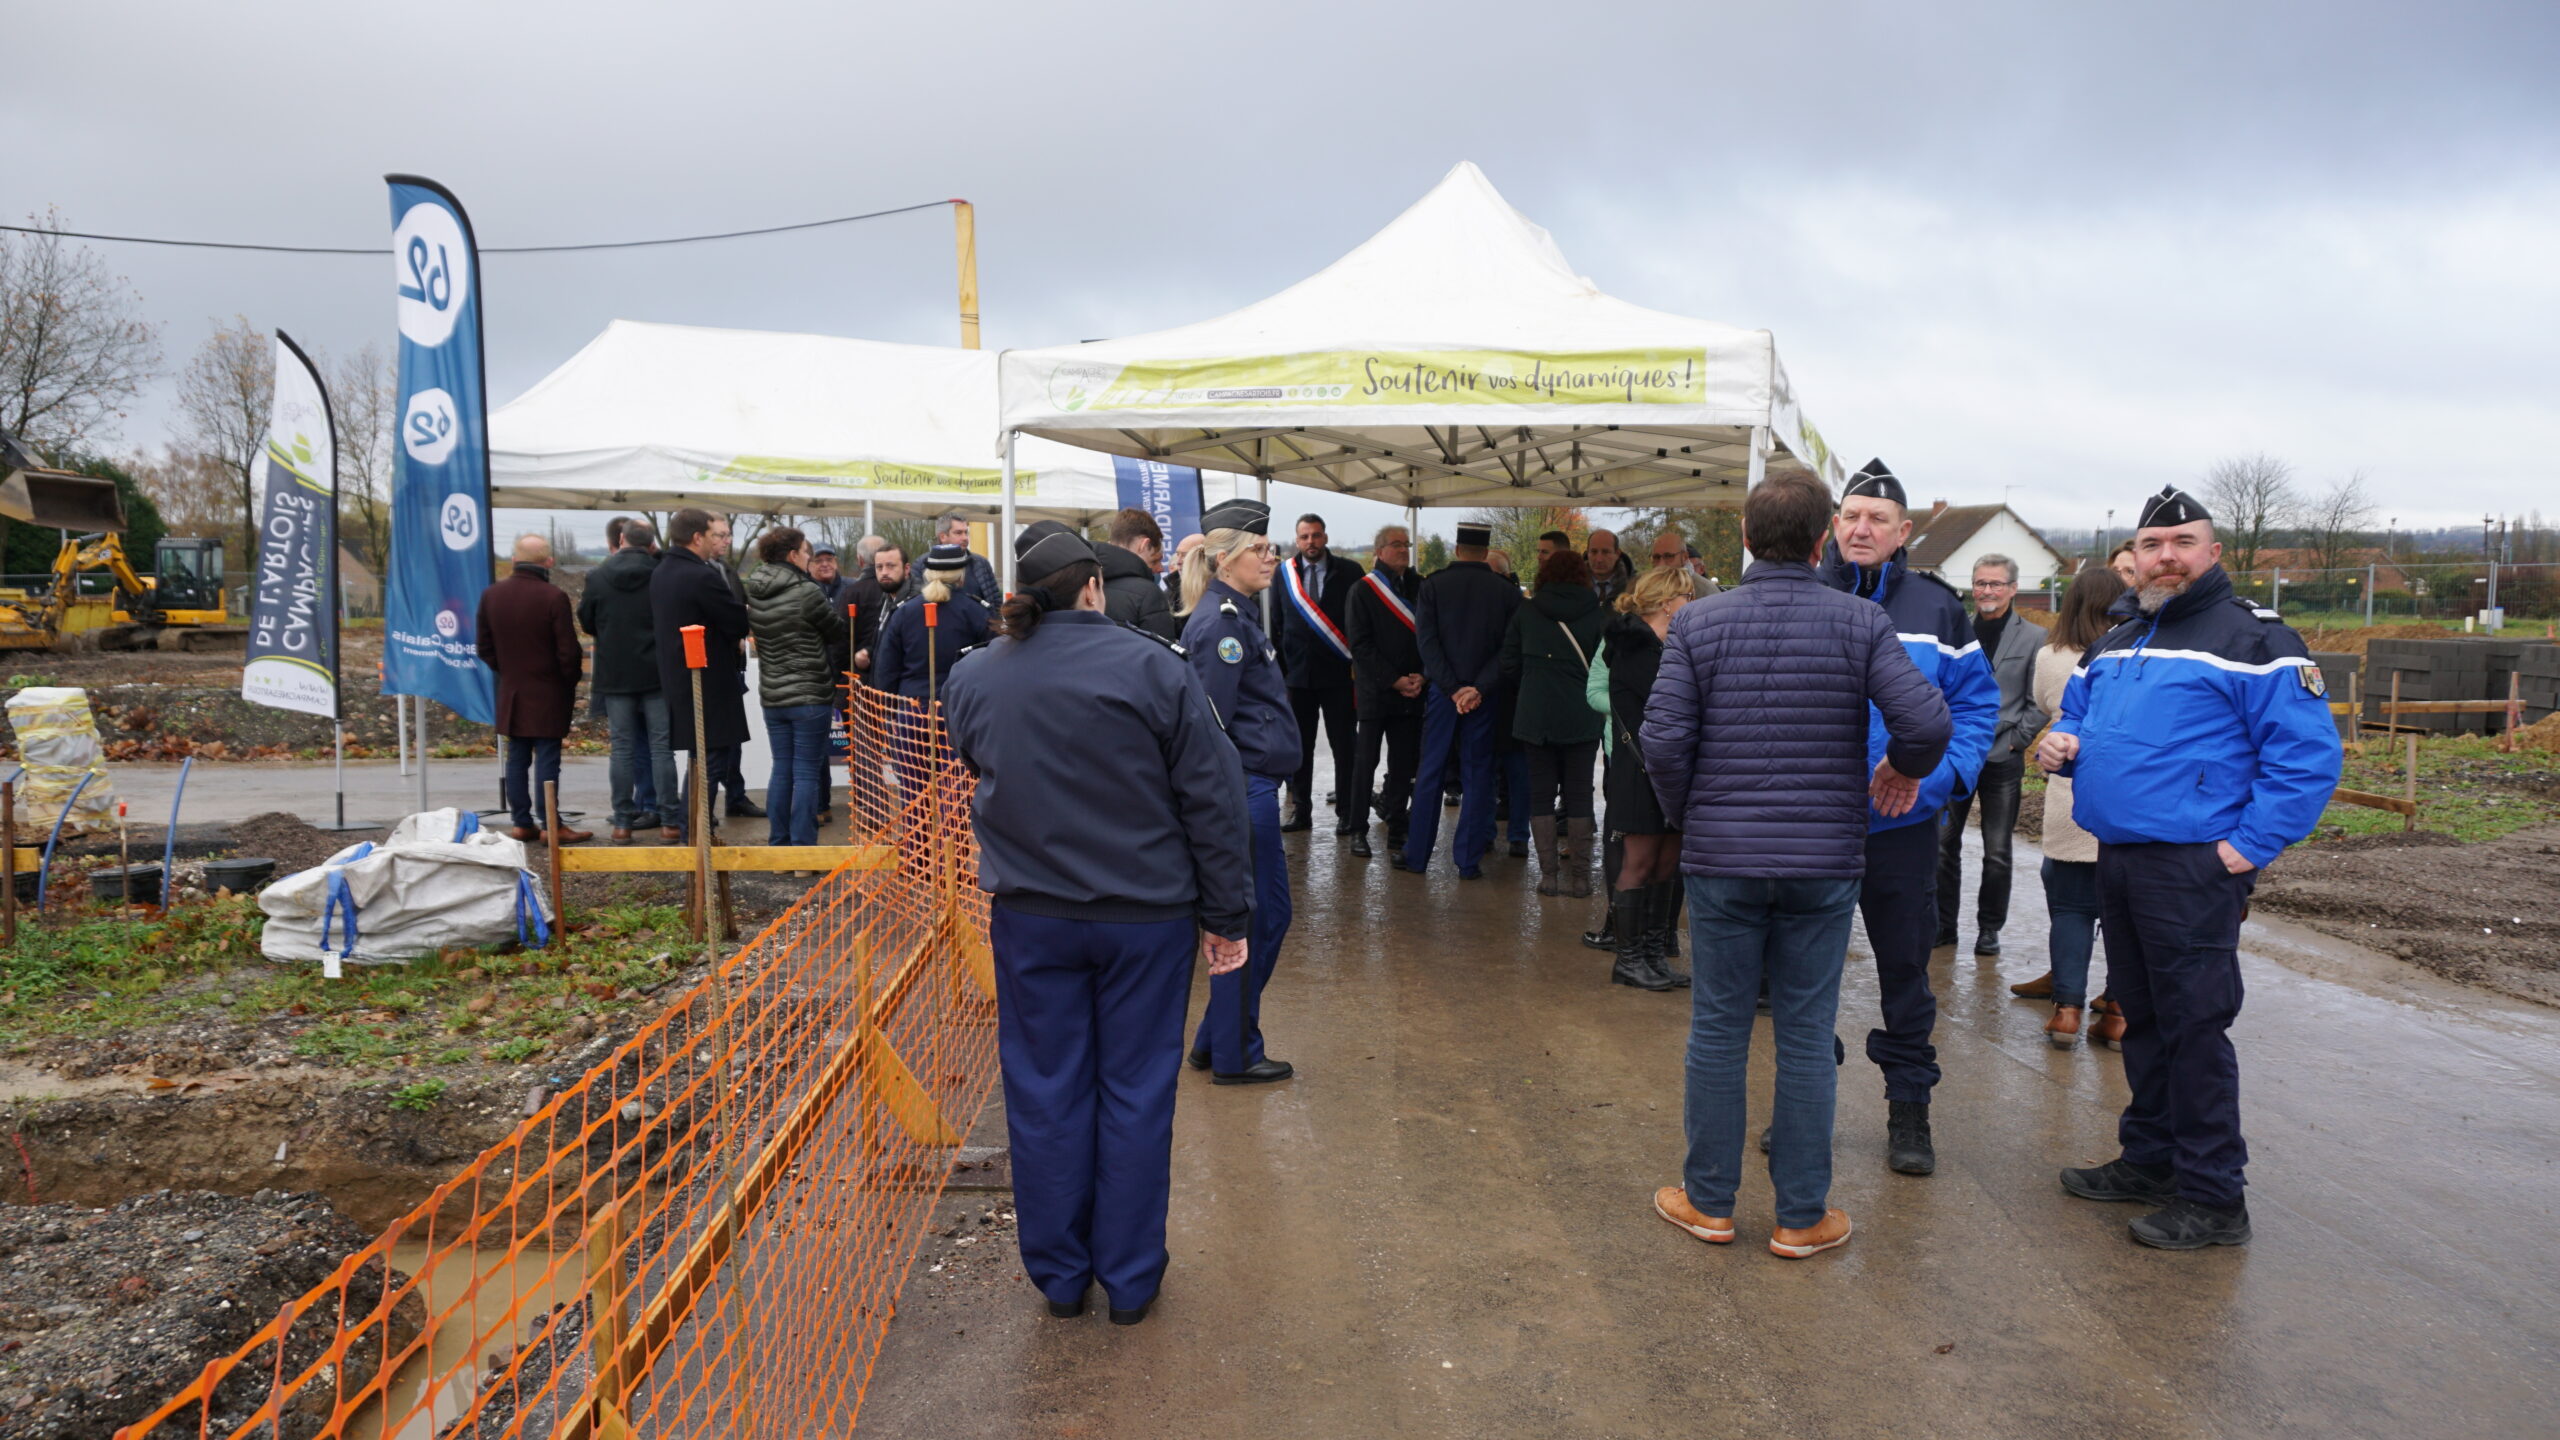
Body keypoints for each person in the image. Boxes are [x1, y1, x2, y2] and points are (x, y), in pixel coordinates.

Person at [941, 525, 1253, 1327]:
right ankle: (1131, 1277)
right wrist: (1226, 916)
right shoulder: (1156, 667)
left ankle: (1060, 1275)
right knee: (1137, 1092)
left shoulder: (975, 677)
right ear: (1093, 588)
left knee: (1045, 1093)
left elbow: (980, 767)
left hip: (1033, 916)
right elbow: (1212, 802)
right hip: (1143, 920)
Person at [1642, 471, 1951, 1260]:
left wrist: (1689, 814)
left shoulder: (1698, 624)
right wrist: (1903, 769)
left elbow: (1664, 741)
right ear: (1821, 541)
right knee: (1807, 1035)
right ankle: (1801, 1216)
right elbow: (1924, 719)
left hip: (1723, 860)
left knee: (1717, 1028)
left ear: (1744, 537)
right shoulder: (1860, 621)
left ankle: (1709, 1203)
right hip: (1823, 861)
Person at [2041, 485, 2341, 1249]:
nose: (2164, 557)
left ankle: (2214, 1198)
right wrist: (2059, 745)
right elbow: (2074, 715)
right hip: (2120, 856)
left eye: (2181, 544)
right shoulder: (2119, 638)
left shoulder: (2254, 640)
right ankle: (2150, 1160)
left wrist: (2242, 851)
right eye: (2150, 545)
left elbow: (2305, 760)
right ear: (2133, 558)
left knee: (2196, 1029)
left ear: (2213, 554)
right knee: (2141, 1019)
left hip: (2192, 869)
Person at [1817, 459, 1998, 1177]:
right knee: (1805, 980)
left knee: (1905, 976)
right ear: (1833, 523)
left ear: (1903, 532)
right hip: (1815, 829)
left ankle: (1910, 1112)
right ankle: (1806, 1109)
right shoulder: (1802, 594)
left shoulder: (1938, 610)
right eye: (1852, 516)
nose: (1863, 529)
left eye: (1878, 520)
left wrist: (1935, 779)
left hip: (1903, 830)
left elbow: (1978, 708)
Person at [1176, 500, 1300, 1086]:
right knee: (1259, 921)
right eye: (1260, 549)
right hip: (1242, 792)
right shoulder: (1222, 622)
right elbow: (1211, 728)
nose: (1270, 557)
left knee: (1261, 920)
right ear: (1226, 560)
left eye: (1270, 548)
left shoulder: (1237, 613)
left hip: (1254, 787)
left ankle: (1215, 1040)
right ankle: (1235, 1050)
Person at [2012, 563, 2126, 1046]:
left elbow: (2043, 702)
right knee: (2125, 915)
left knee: (2070, 910)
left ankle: (2066, 1012)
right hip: (2122, 800)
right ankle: (2118, 1012)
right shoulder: (2132, 654)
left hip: (2068, 798)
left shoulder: (2053, 655)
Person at [1586, 565, 1697, 989]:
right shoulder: (1637, 650)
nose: (1691, 603)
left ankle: (1651, 955)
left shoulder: (1663, 647)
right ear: (1668, 602)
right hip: (1640, 770)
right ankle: (1629, 960)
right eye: (1687, 595)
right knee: (1640, 863)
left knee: (1665, 864)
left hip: (1666, 771)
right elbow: (1673, 707)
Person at [1936, 553, 2047, 955]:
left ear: (2013, 589)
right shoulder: (1955, 631)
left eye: (1995, 584)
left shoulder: (2034, 638)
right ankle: (1944, 926)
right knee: (1943, 845)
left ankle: (1989, 929)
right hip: (1957, 756)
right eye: (1980, 583)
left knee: (1997, 851)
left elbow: (2039, 702)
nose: (1986, 591)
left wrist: (2018, 740)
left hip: (2003, 758)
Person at [1398, 523, 1521, 880]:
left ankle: (1417, 855)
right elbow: (1508, 652)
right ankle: (1467, 861)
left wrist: (1451, 688)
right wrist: (1477, 688)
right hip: (1483, 695)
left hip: (1443, 694)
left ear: (1456, 549)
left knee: (1430, 772)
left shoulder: (1433, 586)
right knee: (1478, 773)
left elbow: (1428, 644)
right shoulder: (1506, 592)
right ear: (1485, 553)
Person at [1501, 547, 1607, 898]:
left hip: (1536, 715)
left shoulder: (1527, 611)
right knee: (1579, 795)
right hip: (1582, 715)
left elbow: (1509, 664)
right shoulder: (1599, 614)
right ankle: (1580, 878)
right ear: (1583, 575)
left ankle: (1548, 876)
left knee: (1541, 795)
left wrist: (1533, 686)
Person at [477, 534, 591, 844]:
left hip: (512, 691)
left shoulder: (491, 595)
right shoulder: (553, 597)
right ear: (549, 562)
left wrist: (508, 672)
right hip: (549, 692)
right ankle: (550, 824)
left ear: (514, 560)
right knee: (547, 759)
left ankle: (521, 822)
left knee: (517, 758)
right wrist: (566, 681)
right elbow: (568, 651)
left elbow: (484, 647)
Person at [651, 508, 753, 835]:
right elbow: (736, 622)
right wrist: (743, 617)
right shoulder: (701, 575)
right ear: (697, 537)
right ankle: (694, 830)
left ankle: (691, 826)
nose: (717, 541)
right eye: (714, 535)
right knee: (710, 759)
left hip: (681, 676)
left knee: (700, 757)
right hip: (707, 680)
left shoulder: (663, 570)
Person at [744, 527, 848, 848]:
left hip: (773, 695)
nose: (809, 558)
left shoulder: (755, 591)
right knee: (805, 773)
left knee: (782, 769)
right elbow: (836, 631)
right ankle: (802, 849)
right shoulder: (807, 592)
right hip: (810, 695)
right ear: (792, 555)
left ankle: (779, 846)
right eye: (806, 552)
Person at [578, 519, 679, 842]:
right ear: (651, 543)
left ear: (621, 539)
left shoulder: (598, 576)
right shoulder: (663, 575)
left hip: (615, 674)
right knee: (662, 749)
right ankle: (669, 821)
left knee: (621, 750)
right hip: (657, 673)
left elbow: (587, 620)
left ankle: (622, 822)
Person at [1274, 513, 1364, 837]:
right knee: (1300, 747)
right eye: (1304, 537)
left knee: (1344, 746)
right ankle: (1302, 811)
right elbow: (1276, 624)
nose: (1310, 542)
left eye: (1315, 535)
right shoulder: (1282, 574)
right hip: (1298, 678)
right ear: (1297, 540)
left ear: (1325, 537)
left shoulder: (1351, 571)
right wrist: (1281, 674)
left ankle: (1347, 812)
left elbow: (1360, 621)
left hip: (1340, 675)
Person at [1345, 524, 1425, 861]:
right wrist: (1394, 680)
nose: (1404, 550)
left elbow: (1429, 636)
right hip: (1377, 692)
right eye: (1396, 545)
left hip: (1412, 691)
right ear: (1379, 551)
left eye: (1406, 544)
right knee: (1366, 762)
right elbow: (1360, 646)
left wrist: (1421, 676)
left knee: (1404, 763)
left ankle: (1396, 824)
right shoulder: (1362, 591)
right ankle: (1358, 829)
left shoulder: (1421, 587)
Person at [807, 543, 854, 825]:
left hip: (846, 677)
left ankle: (864, 801)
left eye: (829, 559)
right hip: (816, 677)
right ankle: (820, 804)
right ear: (809, 565)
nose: (825, 564)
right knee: (818, 746)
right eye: (819, 560)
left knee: (858, 743)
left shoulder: (850, 588)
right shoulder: (806, 591)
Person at [1097, 507, 1181, 640]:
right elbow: (1163, 655)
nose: (1160, 569)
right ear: (1143, 545)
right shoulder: (1148, 593)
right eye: (1155, 560)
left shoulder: (1082, 584)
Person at [848, 543, 910, 682]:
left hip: (903, 696)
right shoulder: (886, 598)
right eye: (879, 567)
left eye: (891, 566)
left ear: (906, 569)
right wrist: (869, 652)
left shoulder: (915, 604)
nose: (884, 572)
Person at [934, 512, 1004, 607]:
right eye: (958, 533)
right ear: (943, 537)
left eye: (966, 532)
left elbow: (995, 602)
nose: (965, 538)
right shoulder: (922, 565)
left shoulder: (981, 563)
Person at [1649, 527, 1716, 599]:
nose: (1661, 564)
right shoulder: (1646, 590)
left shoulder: (1705, 591)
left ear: (1685, 557)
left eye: (1668, 556)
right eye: (1656, 557)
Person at [1587, 528, 1634, 606]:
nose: (1599, 559)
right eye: (1594, 552)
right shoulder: (1573, 587)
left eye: (1605, 552)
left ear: (1617, 554)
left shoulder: (1634, 589)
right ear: (1587, 553)